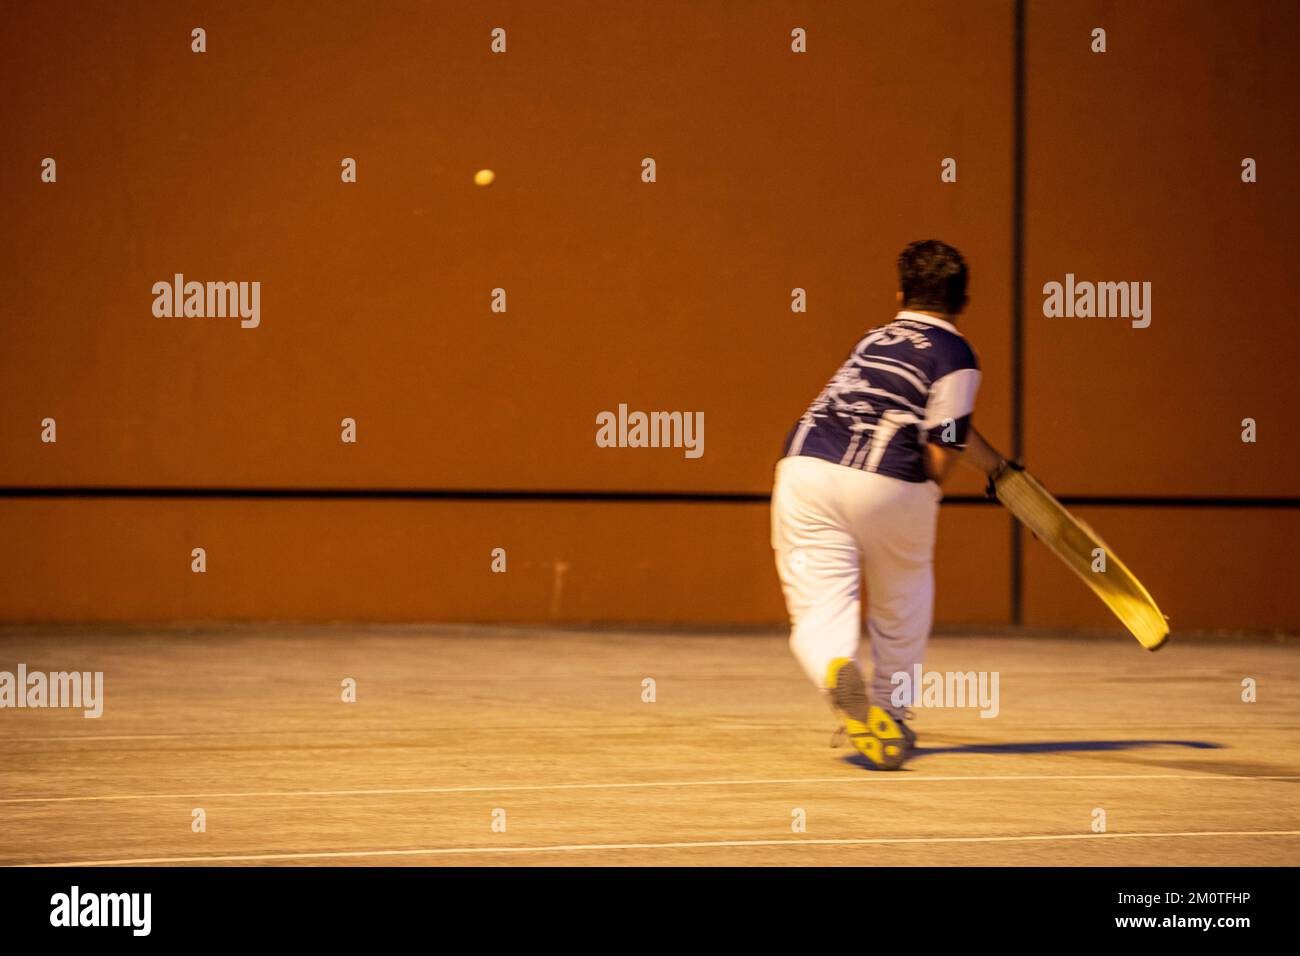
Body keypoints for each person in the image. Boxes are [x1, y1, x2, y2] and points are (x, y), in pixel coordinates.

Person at [771, 239, 1008, 769]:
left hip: (804, 469)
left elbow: (924, 419)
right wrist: (932, 495)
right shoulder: (956, 355)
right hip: (889, 480)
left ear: (900, 292)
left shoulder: (873, 339)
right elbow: (944, 443)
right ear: (962, 303)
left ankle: (836, 667)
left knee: (817, 610)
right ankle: (892, 712)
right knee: (903, 600)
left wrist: (995, 466)